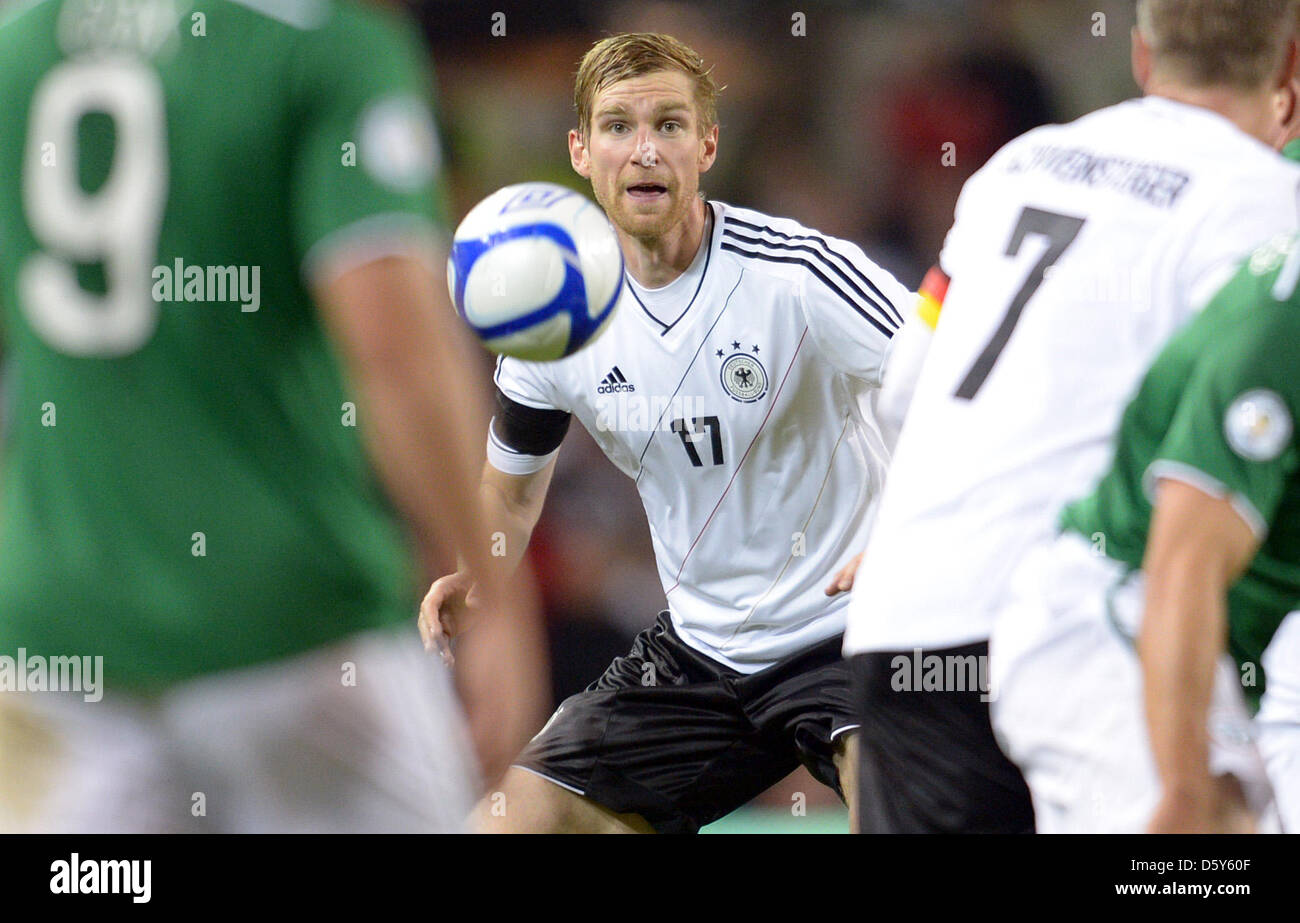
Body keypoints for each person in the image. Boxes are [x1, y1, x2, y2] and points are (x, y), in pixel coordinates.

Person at [0, 0, 545, 832]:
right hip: (292, 627)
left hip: (58, 634)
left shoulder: (21, 41)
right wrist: (489, 587)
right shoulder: (323, 44)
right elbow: (392, 347)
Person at [420, 32, 911, 834]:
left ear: (707, 144)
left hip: (853, 630)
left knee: (905, 820)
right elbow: (509, 493)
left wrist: (916, 528)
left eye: (670, 125)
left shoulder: (799, 274)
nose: (644, 149)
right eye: (617, 126)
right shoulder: (554, 318)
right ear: (581, 151)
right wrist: (480, 568)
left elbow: (955, 382)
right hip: (701, 650)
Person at [839, 0, 1300, 833]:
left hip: (908, 615)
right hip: (1082, 625)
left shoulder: (1019, 164)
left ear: (1141, 57)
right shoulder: (1269, 207)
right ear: (1289, 77)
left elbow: (905, 383)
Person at [992, 232, 1300, 833]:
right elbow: (1184, 566)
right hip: (1115, 619)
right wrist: (1186, 792)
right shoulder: (1286, 315)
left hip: (1201, 654)